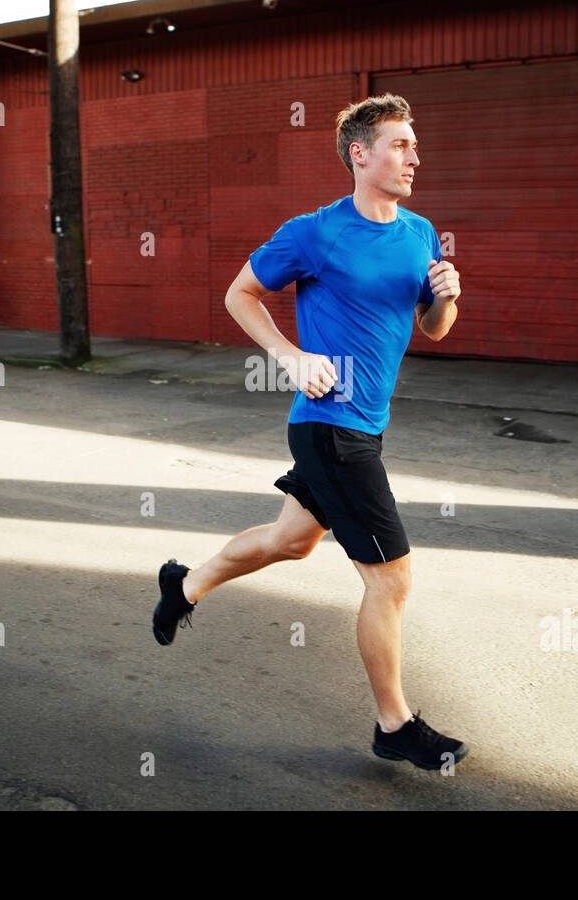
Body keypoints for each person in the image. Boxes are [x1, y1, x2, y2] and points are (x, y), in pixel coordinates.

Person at [152, 93, 467, 771]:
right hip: (330, 428)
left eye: (414, 144)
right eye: (401, 144)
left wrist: (445, 298)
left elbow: (432, 328)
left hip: (364, 428)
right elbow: (240, 293)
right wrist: (290, 356)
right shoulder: (314, 232)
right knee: (392, 580)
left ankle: (182, 587)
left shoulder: (419, 233)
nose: (415, 155)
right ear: (361, 154)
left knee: (290, 542)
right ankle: (394, 725)